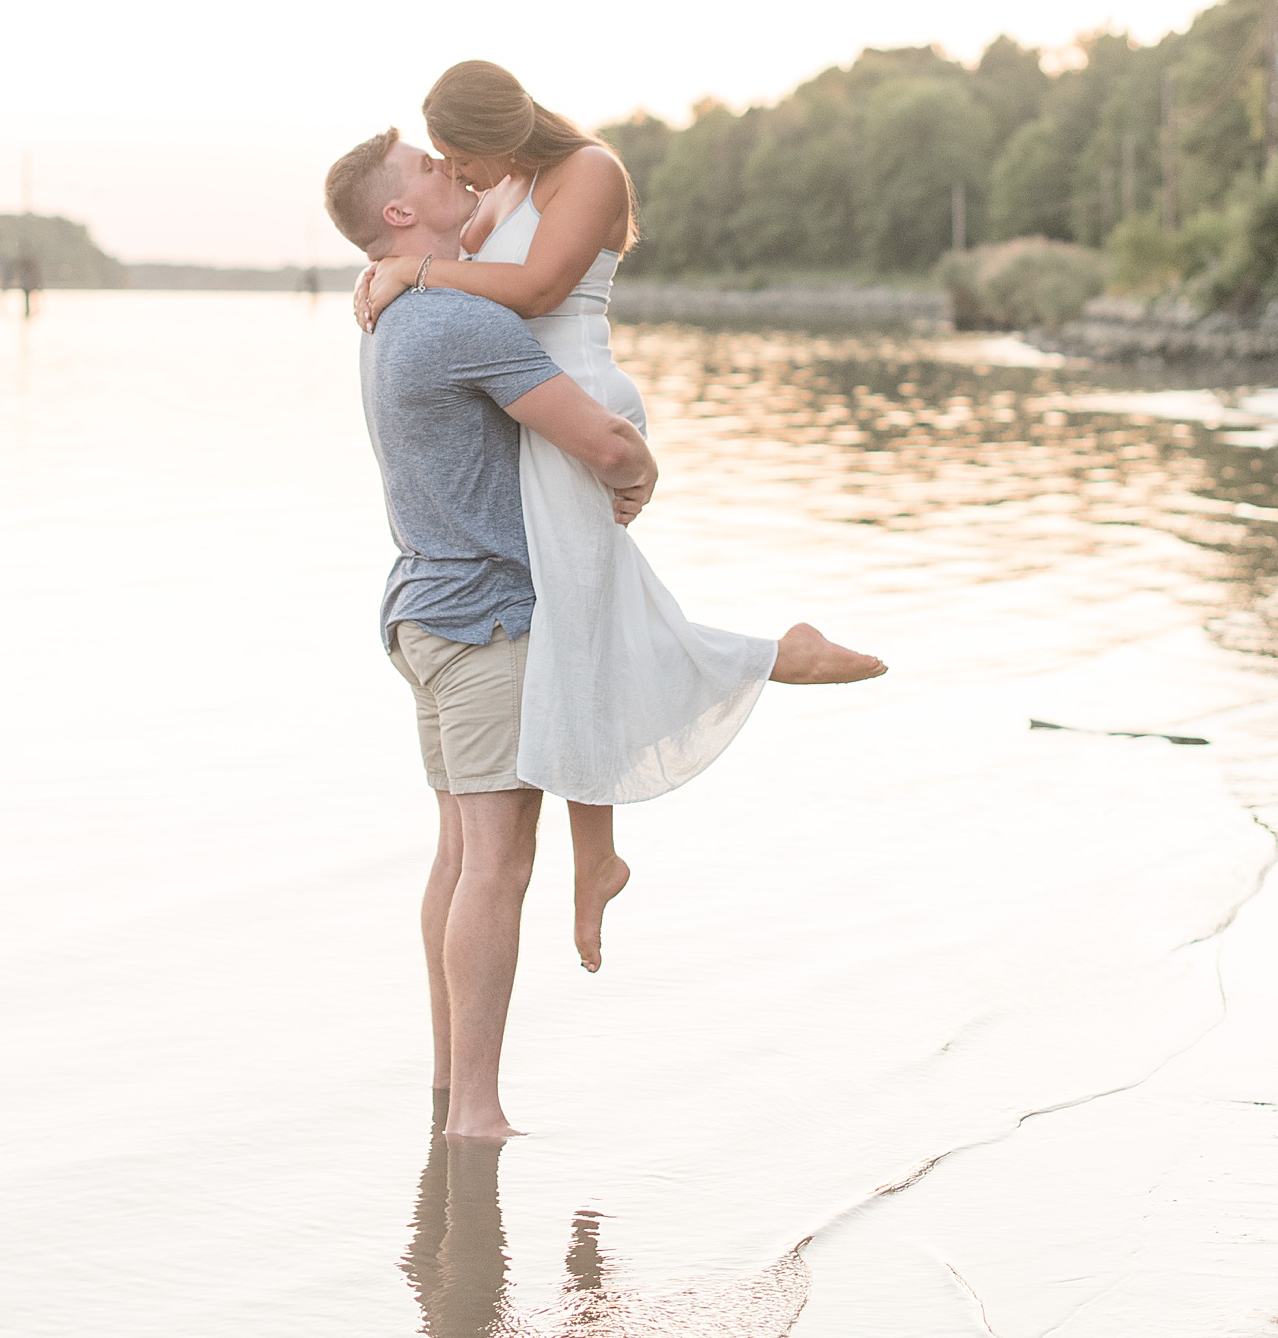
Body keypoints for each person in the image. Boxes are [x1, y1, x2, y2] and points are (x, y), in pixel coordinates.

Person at [324, 128, 884, 1134]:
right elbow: (601, 439)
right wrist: (639, 472)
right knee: (494, 862)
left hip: (422, 611)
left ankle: (452, 1085)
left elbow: (513, 242)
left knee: (459, 854)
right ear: (398, 215)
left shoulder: (393, 315)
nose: (449, 170)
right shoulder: (451, 317)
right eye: (427, 167)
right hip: (488, 618)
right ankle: (476, 1114)